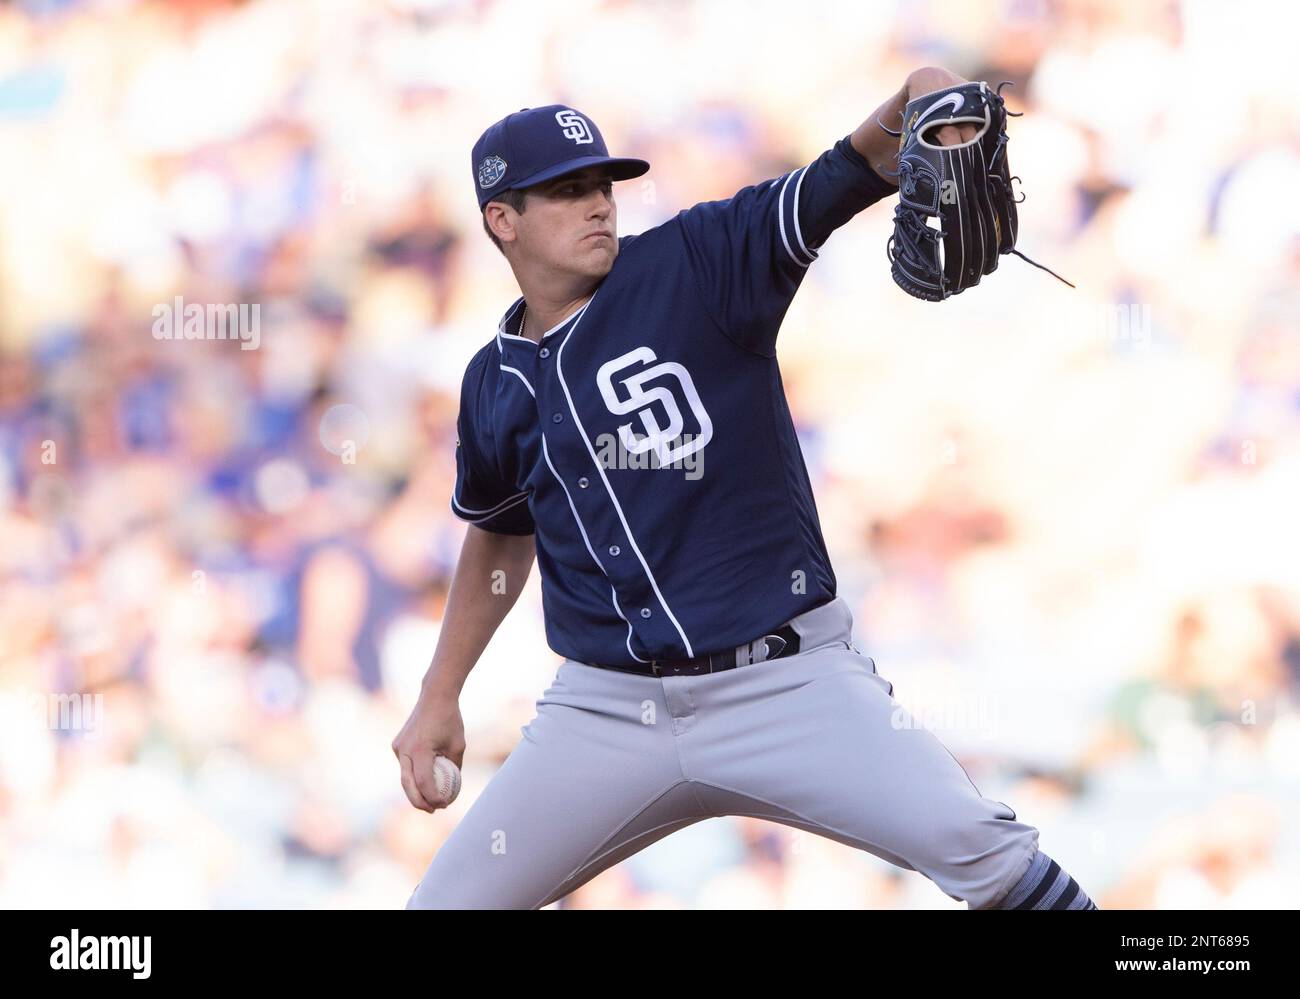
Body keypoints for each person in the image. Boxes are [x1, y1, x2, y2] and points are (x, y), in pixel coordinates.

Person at [395, 66, 1098, 910]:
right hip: (610, 708)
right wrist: (440, 693)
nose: (598, 204)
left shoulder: (701, 259)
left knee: (988, 857)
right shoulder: (492, 382)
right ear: (501, 221)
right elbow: (504, 534)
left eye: (603, 185)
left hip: (786, 683)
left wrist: (916, 97)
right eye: (566, 191)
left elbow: (845, 173)